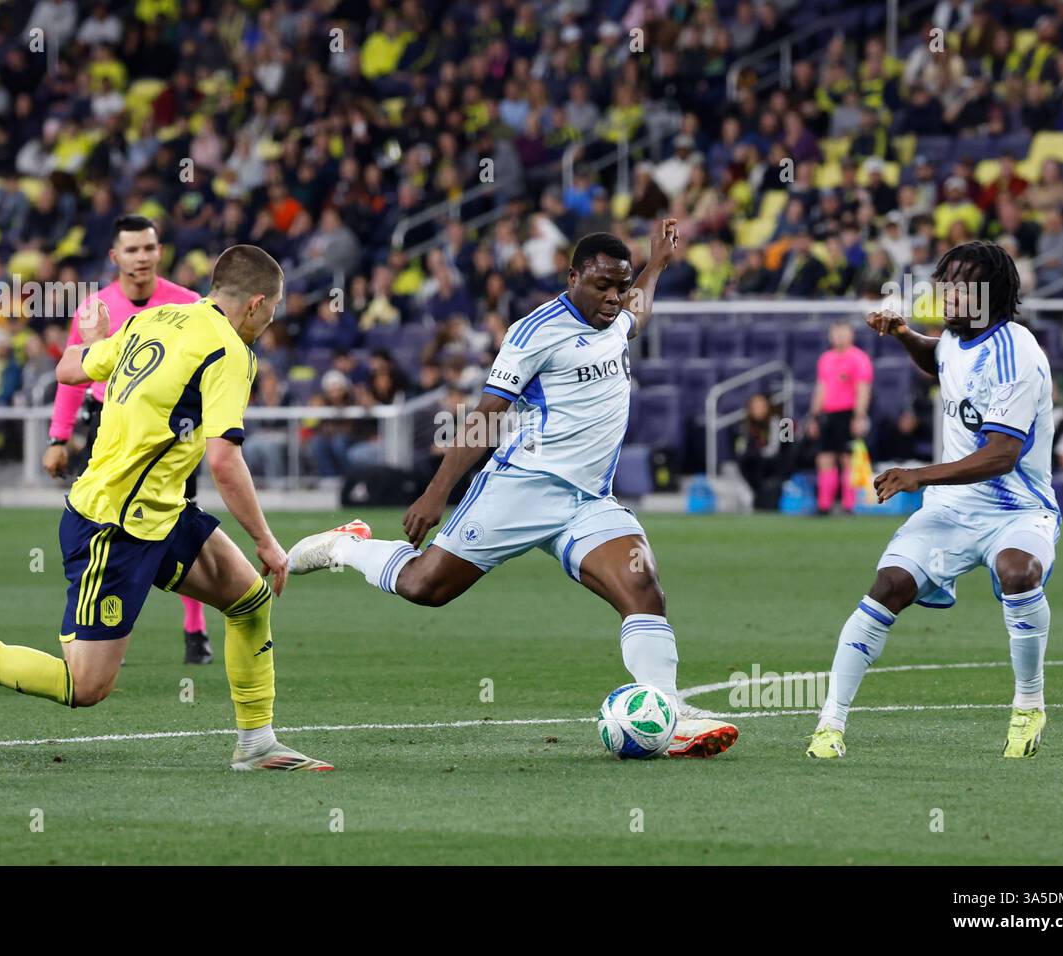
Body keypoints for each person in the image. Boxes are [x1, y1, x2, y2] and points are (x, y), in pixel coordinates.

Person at [286, 223, 740, 759]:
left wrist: (657, 264)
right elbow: (484, 418)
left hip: (589, 500)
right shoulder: (534, 333)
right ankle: (347, 545)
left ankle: (668, 713)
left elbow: (637, 311)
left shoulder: (617, 317)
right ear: (572, 278)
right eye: (601, 285)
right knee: (425, 586)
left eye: (620, 286)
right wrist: (436, 493)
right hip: (521, 488)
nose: (614, 297)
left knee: (644, 591)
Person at [0, 245, 332, 772]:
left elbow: (71, 368)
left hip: (161, 512)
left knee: (248, 600)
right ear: (255, 303)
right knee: (85, 686)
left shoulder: (156, 319)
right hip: (111, 526)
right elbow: (224, 461)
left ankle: (257, 744)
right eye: (274, 308)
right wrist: (267, 543)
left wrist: (96, 344)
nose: (274, 319)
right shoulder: (229, 352)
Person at [807, 240, 1059, 761]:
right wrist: (903, 335)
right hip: (950, 511)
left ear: (989, 296)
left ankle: (1029, 703)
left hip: (1016, 509)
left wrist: (919, 476)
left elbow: (1001, 455)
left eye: (959, 285)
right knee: (888, 586)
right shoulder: (955, 338)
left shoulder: (1018, 353)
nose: (946, 292)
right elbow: (940, 359)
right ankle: (829, 725)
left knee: (1018, 571)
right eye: (944, 282)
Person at [41, 214, 214, 664]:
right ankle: (87, 629)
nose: (142, 257)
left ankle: (194, 630)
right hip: (110, 424)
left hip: (171, 430)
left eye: (149, 248)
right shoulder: (94, 309)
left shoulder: (189, 304)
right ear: (114, 256)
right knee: (102, 524)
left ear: (160, 252)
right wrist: (58, 437)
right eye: (132, 249)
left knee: (178, 519)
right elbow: (72, 375)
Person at [806, 321, 873, 514]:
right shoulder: (825, 359)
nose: (839, 337)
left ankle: (848, 505)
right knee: (824, 459)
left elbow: (863, 389)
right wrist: (814, 416)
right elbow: (821, 388)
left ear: (851, 335)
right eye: (835, 334)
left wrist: (859, 416)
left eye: (843, 333)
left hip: (848, 413)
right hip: (828, 414)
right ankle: (824, 505)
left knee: (848, 459)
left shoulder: (859, 359)